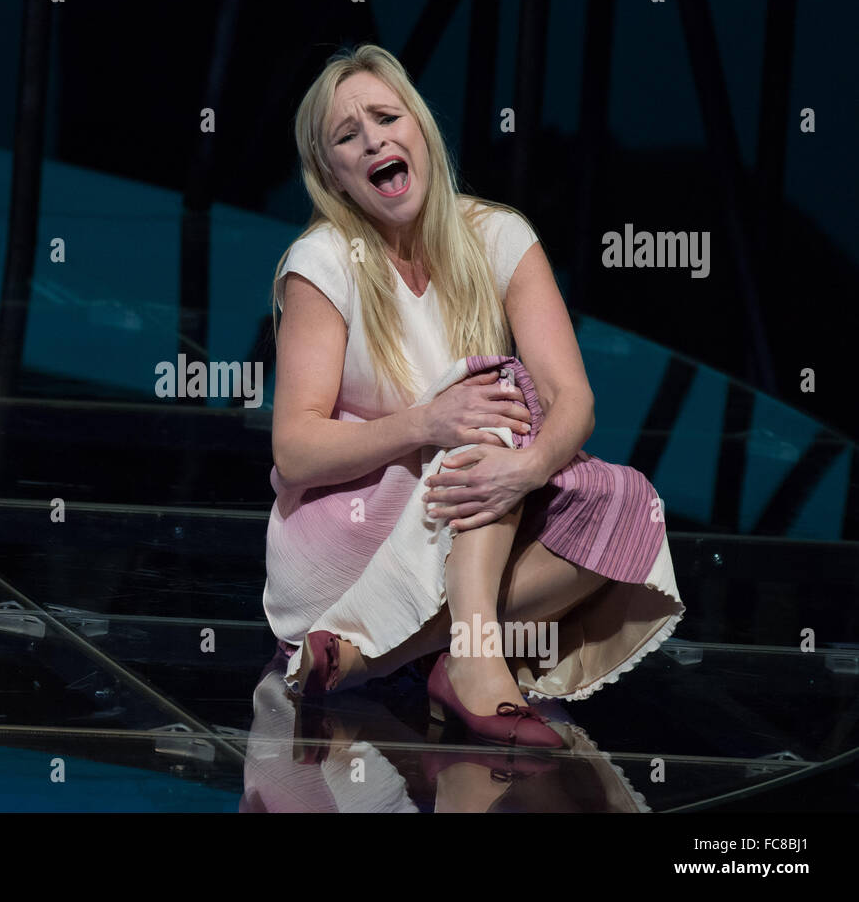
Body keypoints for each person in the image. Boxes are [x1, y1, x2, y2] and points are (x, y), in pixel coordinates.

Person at [264, 44, 684, 748]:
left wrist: (528, 467)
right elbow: (296, 450)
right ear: (334, 177)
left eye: (386, 117)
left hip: (464, 514)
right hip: (347, 530)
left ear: (421, 131)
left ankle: (392, 654)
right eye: (348, 136)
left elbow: (572, 397)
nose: (374, 139)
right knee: (492, 405)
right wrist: (430, 421)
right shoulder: (324, 262)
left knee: (626, 506)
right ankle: (475, 664)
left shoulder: (497, 234)